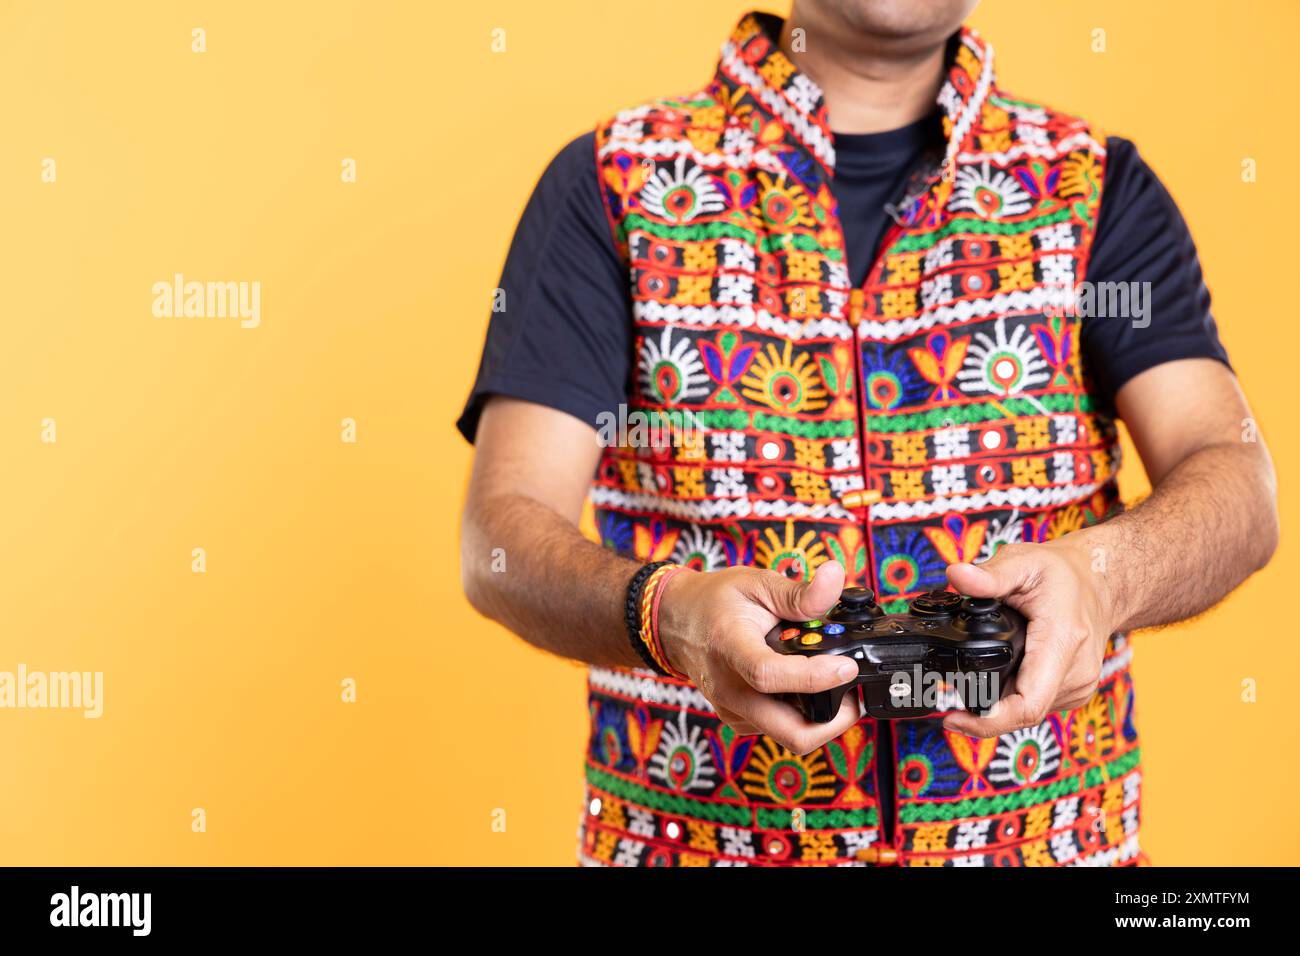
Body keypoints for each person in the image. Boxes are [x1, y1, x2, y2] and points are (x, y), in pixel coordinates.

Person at [457, 1, 1278, 866]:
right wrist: (669, 616)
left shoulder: (1096, 185)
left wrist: (1105, 578)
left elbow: (1234, 479)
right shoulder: (612, 182)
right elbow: (500, 535)